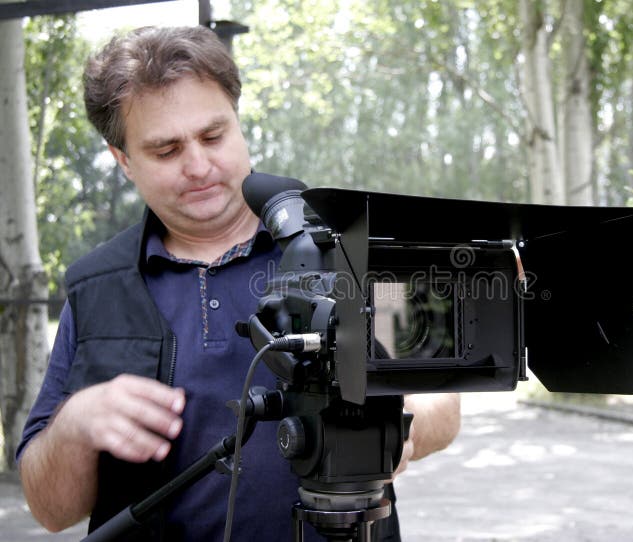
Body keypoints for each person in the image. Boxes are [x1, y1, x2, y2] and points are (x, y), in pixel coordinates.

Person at [16, 25, 461, 541]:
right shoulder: (95, 287)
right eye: (166, 151)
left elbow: (442, 404)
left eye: (213, 135)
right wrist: (77, 423)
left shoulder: (350, 243)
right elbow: (50, 510)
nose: (199, 166)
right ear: (123, 161)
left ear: (238, 121)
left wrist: (400, 423)